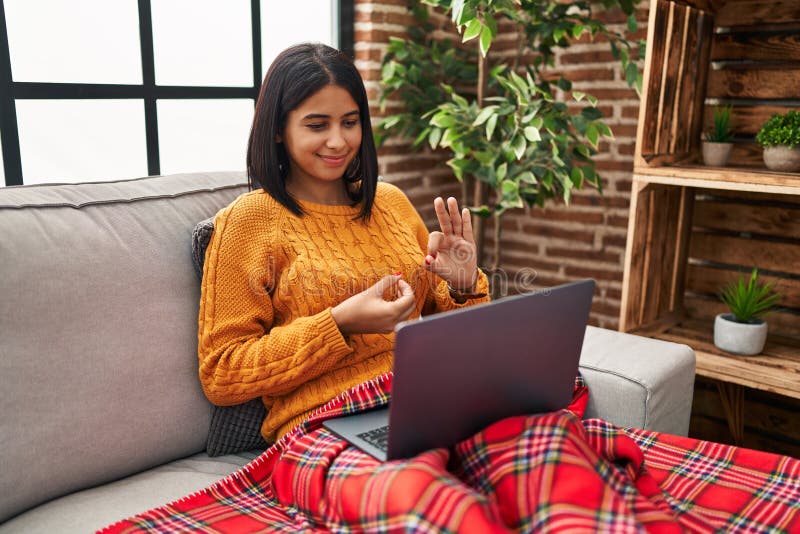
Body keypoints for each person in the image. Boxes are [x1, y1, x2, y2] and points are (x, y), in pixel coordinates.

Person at [197, 42, 490, 444]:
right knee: (427, 494)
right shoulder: (249, 221)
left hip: (429, 397)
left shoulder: (390, 202)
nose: (338, 142)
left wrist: (462, 285)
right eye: (317, 125)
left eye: (350, 122)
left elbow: (461, 336)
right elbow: (223, 372)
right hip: (327, 427)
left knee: (548, 452)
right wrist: (338, 324)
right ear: (279, 130)